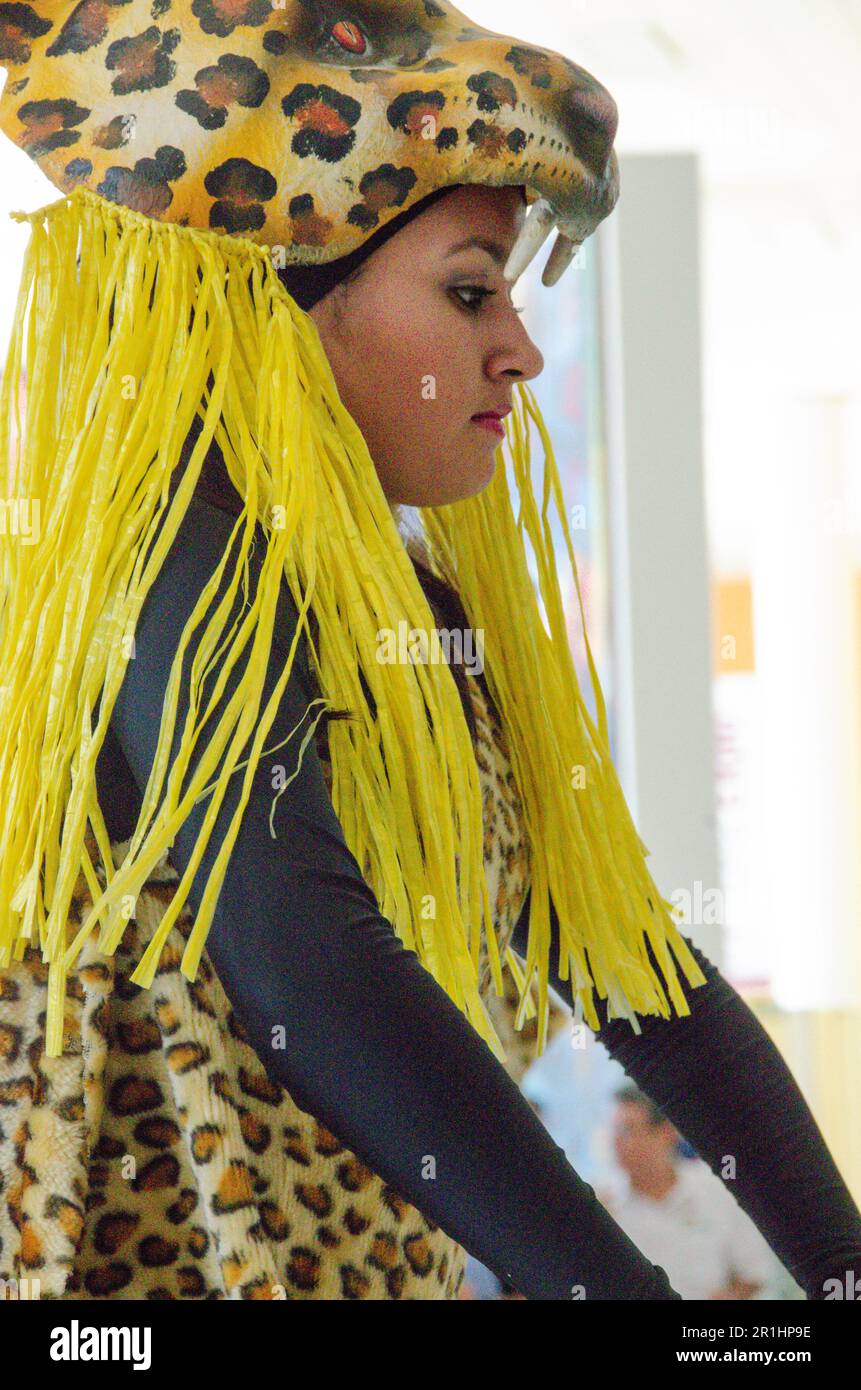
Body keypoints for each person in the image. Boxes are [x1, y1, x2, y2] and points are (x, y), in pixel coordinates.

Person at [1, 1, 860, 1302]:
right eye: (469, 290)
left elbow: (633, 966)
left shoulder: (405, 613)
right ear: (275, 308)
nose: (514, 348)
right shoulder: (189, 554)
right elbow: (307, 958)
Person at [602, 1085, 774, 1300]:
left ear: (666, 1134)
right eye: (613, 1130)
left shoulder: (716, 1189)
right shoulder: (604, 1207)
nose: (615, 1142)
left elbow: (754, 1273)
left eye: (627, 1130)